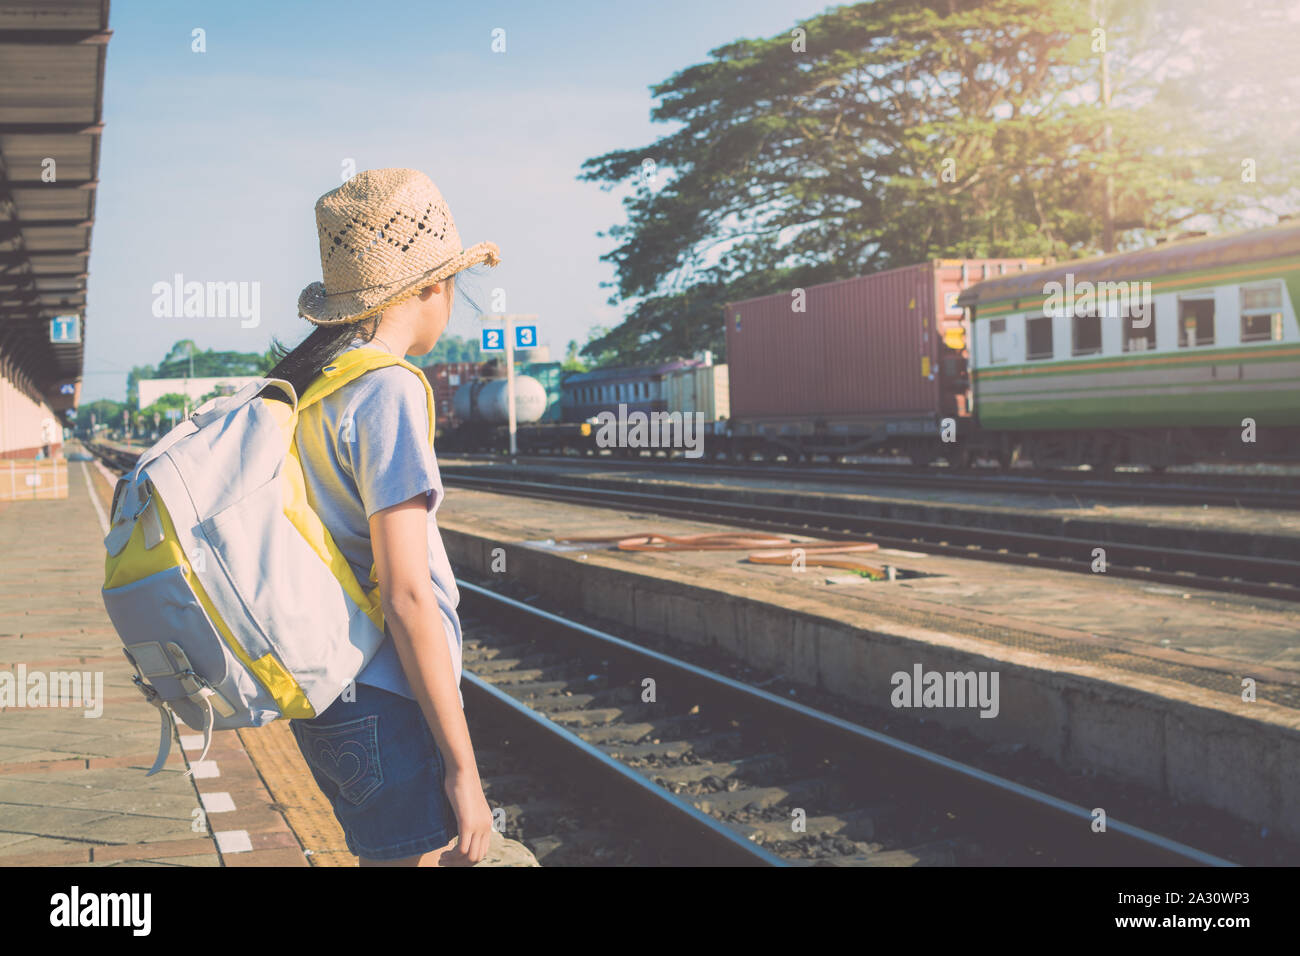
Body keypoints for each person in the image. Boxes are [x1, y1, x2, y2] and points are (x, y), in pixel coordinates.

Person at [268, 168, 499, 866]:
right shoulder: (389, 388)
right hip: (381, 692)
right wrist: (464, 768)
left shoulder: (310, 385)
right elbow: (405, 596)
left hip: (324, 695)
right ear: (432, 287)